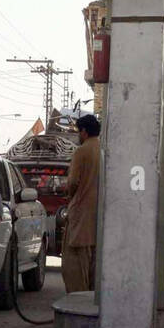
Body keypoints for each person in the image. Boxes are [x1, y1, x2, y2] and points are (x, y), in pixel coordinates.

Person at [62, 113, 101, 293]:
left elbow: (73, 182)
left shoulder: (82, 151)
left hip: (81, 217)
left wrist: (68, 193)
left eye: (79, 131)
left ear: (84, 132)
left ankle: (77, 306)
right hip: (98, 218)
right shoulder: (103, 151)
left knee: (75, 268)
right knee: (94, 268)